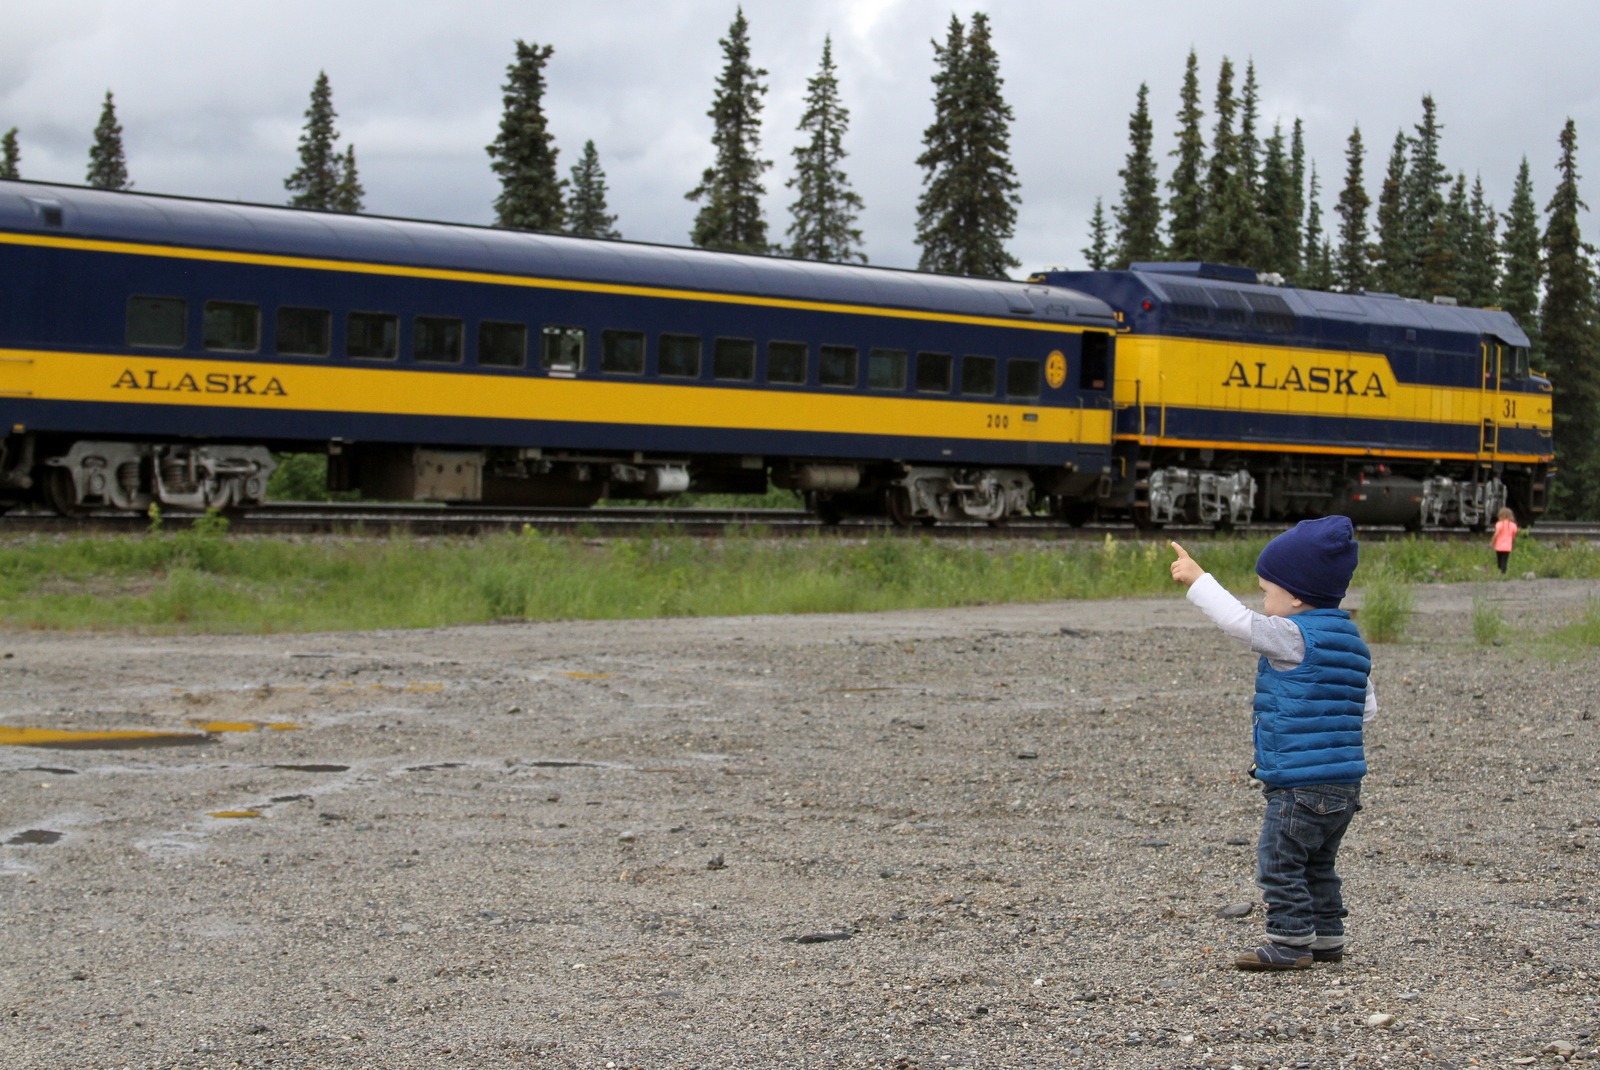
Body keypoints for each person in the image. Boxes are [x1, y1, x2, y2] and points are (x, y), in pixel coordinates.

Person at [1168, 516, 1377, 971]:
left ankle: (1289, 941)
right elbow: (1366, 710)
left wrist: (1199, 580)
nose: (1264, 603)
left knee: (1279, 861)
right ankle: (1327, 936)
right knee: (1317, 863)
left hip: (1299, 783)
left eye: (1267, 592)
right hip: (1345, 784)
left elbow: (1239, 622)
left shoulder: (1294, 635)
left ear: (1296, 596)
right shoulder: (1352, 642)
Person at [1493, 507, 1518, 576]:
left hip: (1499, 546)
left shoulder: (1499, 524)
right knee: (1505, 560)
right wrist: (1512, 542)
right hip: (1507, 546)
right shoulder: (1513, 525)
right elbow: (1513, 536)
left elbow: (1496, 534)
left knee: (1499, 560)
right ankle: (1503, 573)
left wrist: (1493, 542)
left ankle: (1499, 571)